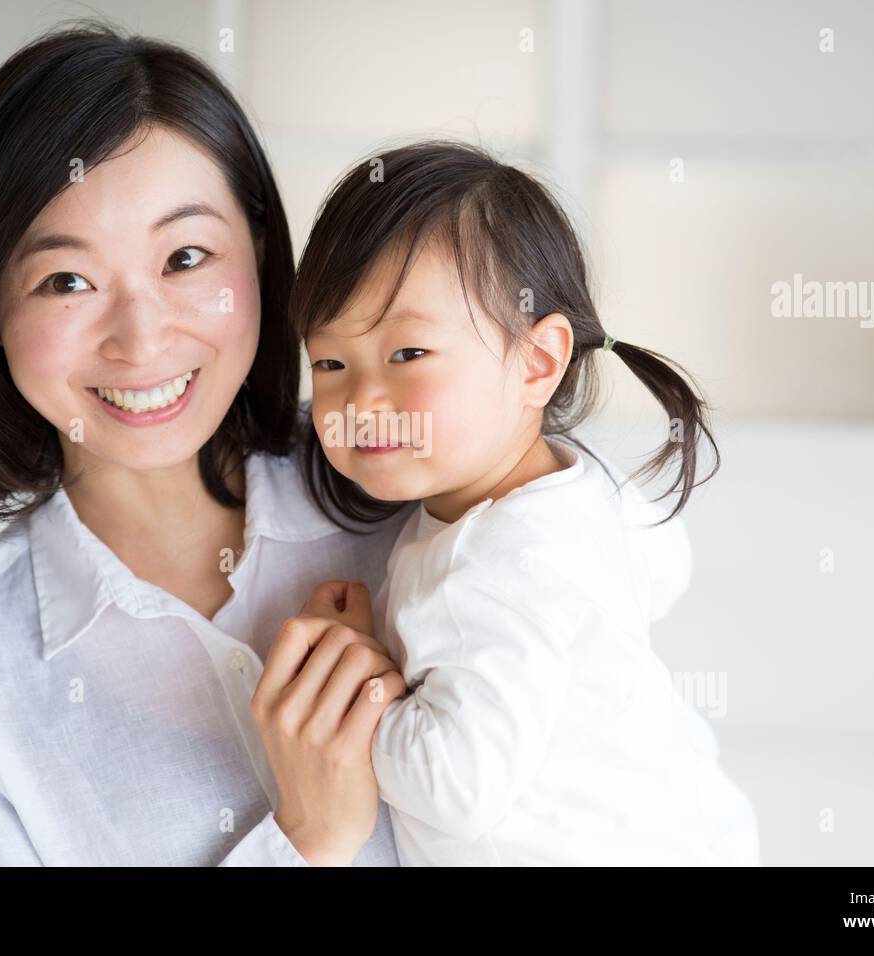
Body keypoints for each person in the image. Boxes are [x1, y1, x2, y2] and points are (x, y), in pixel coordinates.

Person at [0, 24, 411, 866]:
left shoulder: (415, 489)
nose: (141, 340)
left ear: (257, 252)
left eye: (186, 257)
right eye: (66, 281)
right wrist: (305, 840)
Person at [289, 141, 762, 865]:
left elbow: (455, 786)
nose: (361, 398)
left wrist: (358, 683)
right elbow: (664, 564)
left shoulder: (501, 564)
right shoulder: (578, 493)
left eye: (408, 354)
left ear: (538, 362)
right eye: (329, 363)